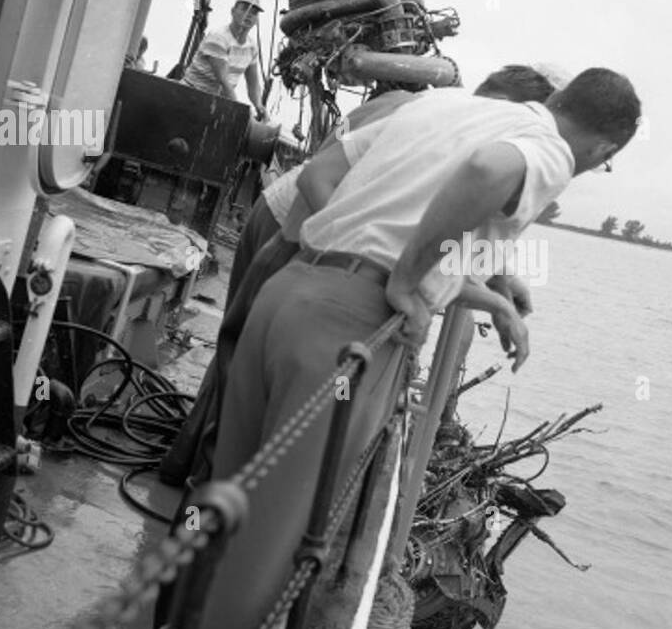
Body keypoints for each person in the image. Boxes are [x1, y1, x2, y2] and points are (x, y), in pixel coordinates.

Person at [139, 70, 639, 629]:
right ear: (603, 150)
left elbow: (376, 208)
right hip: (350, 327)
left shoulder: (438, 107)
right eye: (602, 164)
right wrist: (406, 279)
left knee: (227, 489)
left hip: (290, 288)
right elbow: (485, 174)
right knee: (274, 542)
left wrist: (490, 290)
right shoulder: (551, 151)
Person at [157, 66, 555, 488]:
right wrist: (348, 237)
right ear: (508, 107)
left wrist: (496, 276)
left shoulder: (438, 118)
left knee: (244, 370)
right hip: (294, 242)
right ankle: (200, 494)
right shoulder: (445, 123)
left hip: (295, 236)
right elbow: (381, 230)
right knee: (270, 380)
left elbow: (411, 224)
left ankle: (185, 479)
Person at [180, 0, 266, 118]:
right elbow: (224, 81)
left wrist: (259, 105)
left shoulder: (252, 47)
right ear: (233, 11)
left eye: (254, 12)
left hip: (214, 102)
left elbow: (253, 84)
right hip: (190, 95)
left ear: (256, 20)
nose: (249, 14)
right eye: (244, 9)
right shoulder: (218, 37)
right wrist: (242, 113)